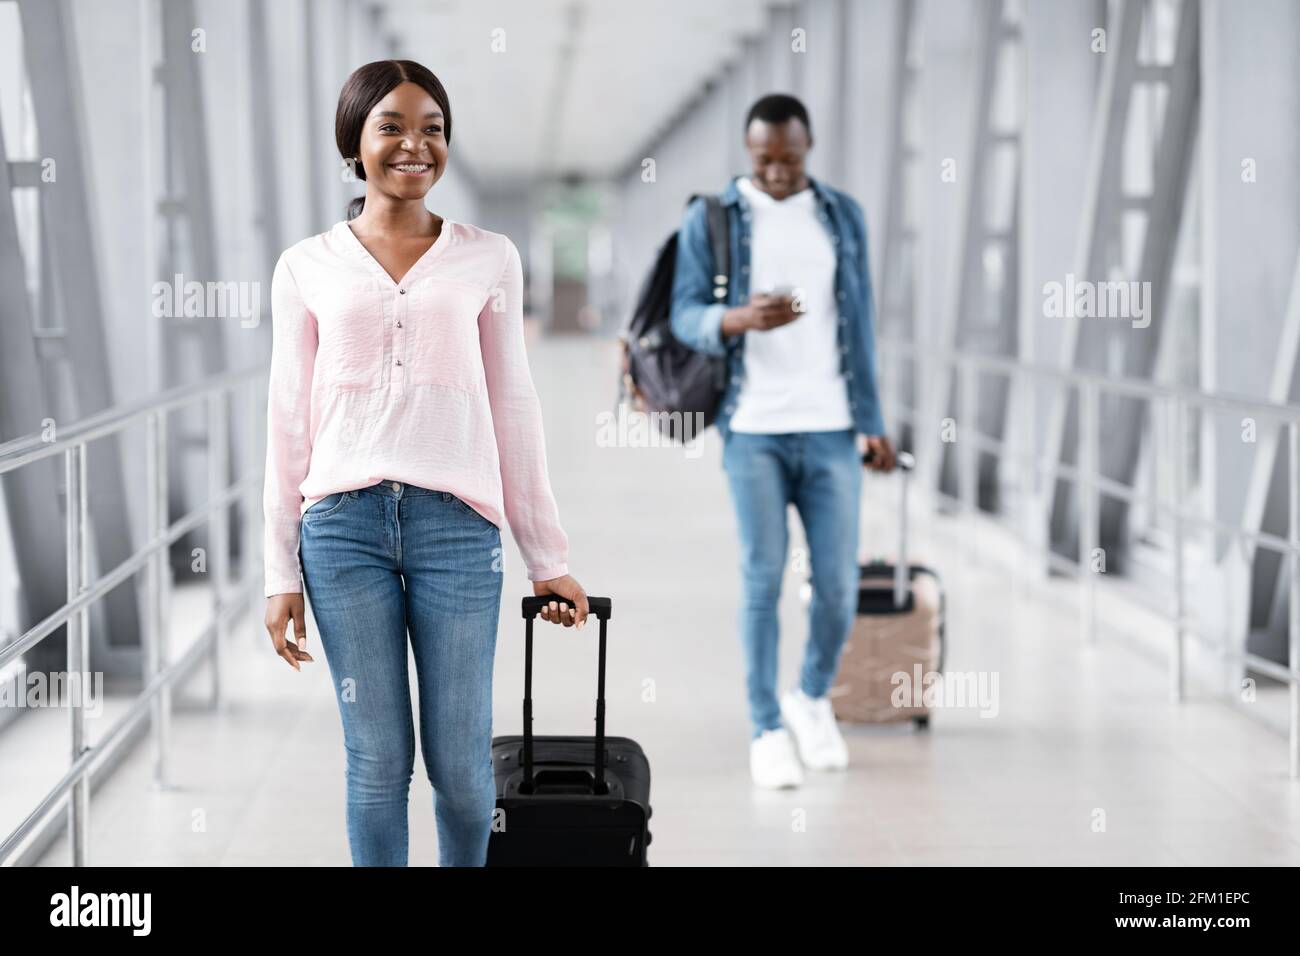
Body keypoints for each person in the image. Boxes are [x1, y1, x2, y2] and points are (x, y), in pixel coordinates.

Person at [262, 59, 588, 865]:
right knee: (377, 764)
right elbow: (286, 422)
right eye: (393, 127)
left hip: (457, 530)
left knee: (463, 771)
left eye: (432, 128)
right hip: (341, 532)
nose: (416, 144)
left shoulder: (490, 258)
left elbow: (514, 406)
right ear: (355, 141)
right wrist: (279, 572)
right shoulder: (306, 266)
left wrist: (547, 556)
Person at [669, 93, 896, 790]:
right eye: (763, 158)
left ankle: (810, 696)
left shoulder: (841, 215)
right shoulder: (712, 219)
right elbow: (683, 316)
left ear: (809, 146)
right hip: (754, 428)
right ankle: (766, 726)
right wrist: (739, 319)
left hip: (831, 428)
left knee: (836, 587)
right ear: (748, 150)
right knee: (762, 578)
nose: (774, 172)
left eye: (788, 159)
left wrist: (874, 420)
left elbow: (858, 323)